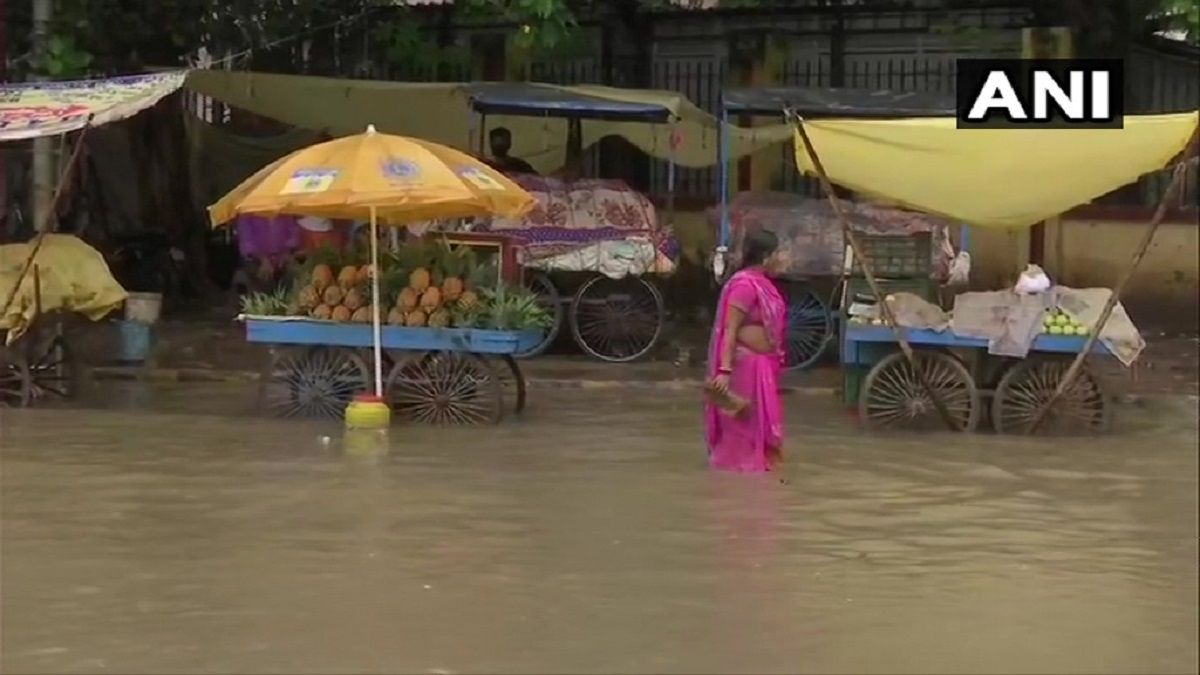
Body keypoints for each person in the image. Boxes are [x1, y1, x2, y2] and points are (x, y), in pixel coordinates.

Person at [704, 229, 787, 473]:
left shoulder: (763, 284)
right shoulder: (745, 284)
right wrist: (724, 370)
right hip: (745, 369)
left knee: (756, 428)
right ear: (766, 256)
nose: (782, 258)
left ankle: (751, 479)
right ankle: (735, 478)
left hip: (761, 368)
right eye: (778, 252)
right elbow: (730, 329)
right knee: (742, 428)